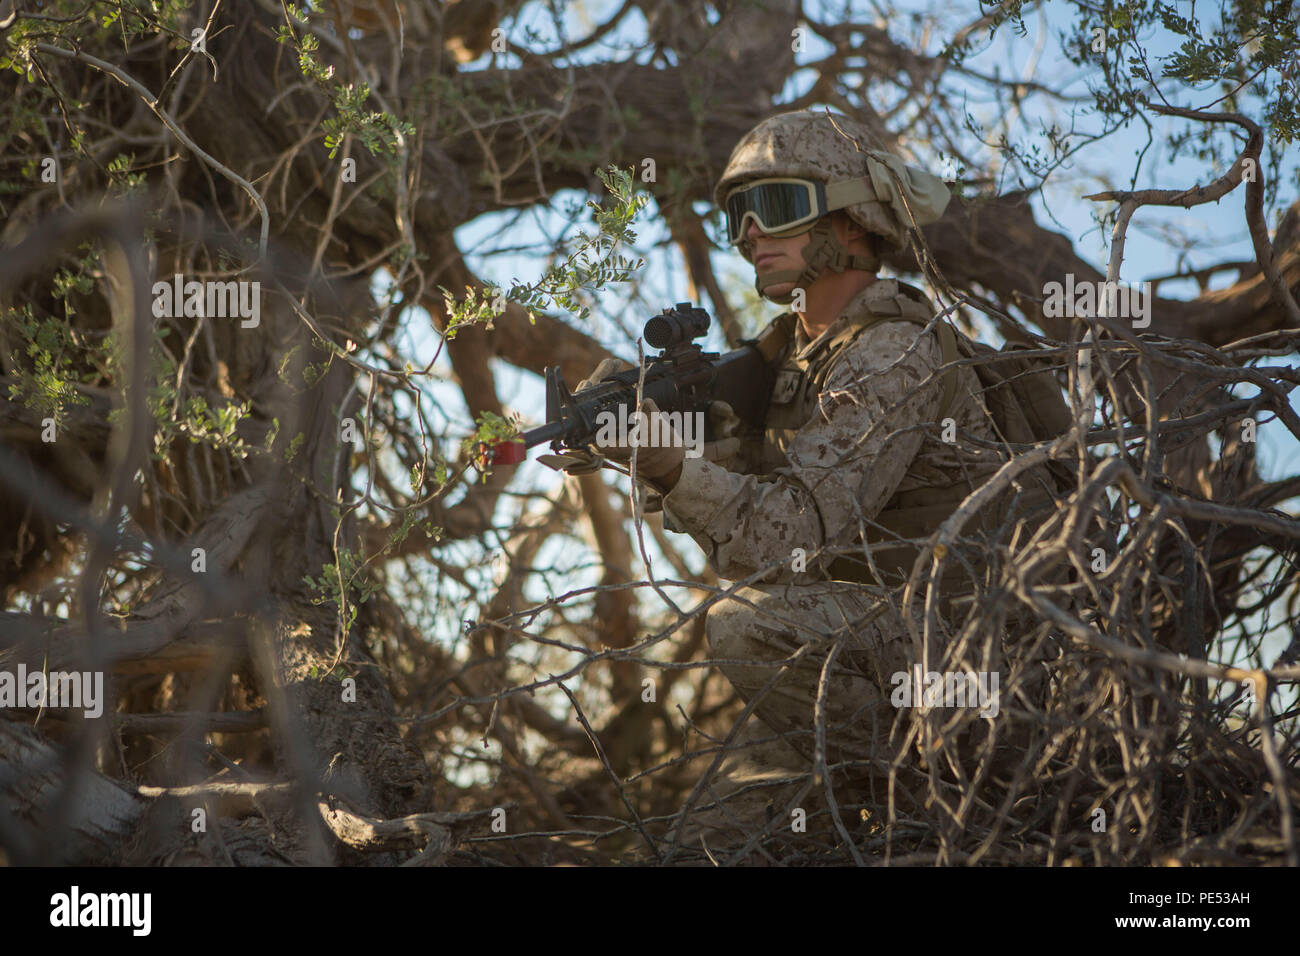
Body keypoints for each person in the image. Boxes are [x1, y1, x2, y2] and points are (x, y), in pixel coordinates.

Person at [562, 110, 1033, 836]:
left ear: (853, 221)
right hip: (877, 641)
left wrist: (670, 467)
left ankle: (930, 805)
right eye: (737, 215)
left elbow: (787, 539)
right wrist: (628, 437)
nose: (751, 231)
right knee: (706, 833)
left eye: (776, 205)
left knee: (744, 626)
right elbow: (740, 507)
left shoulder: (894, 350)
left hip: (969, 650)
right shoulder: (784, 363)